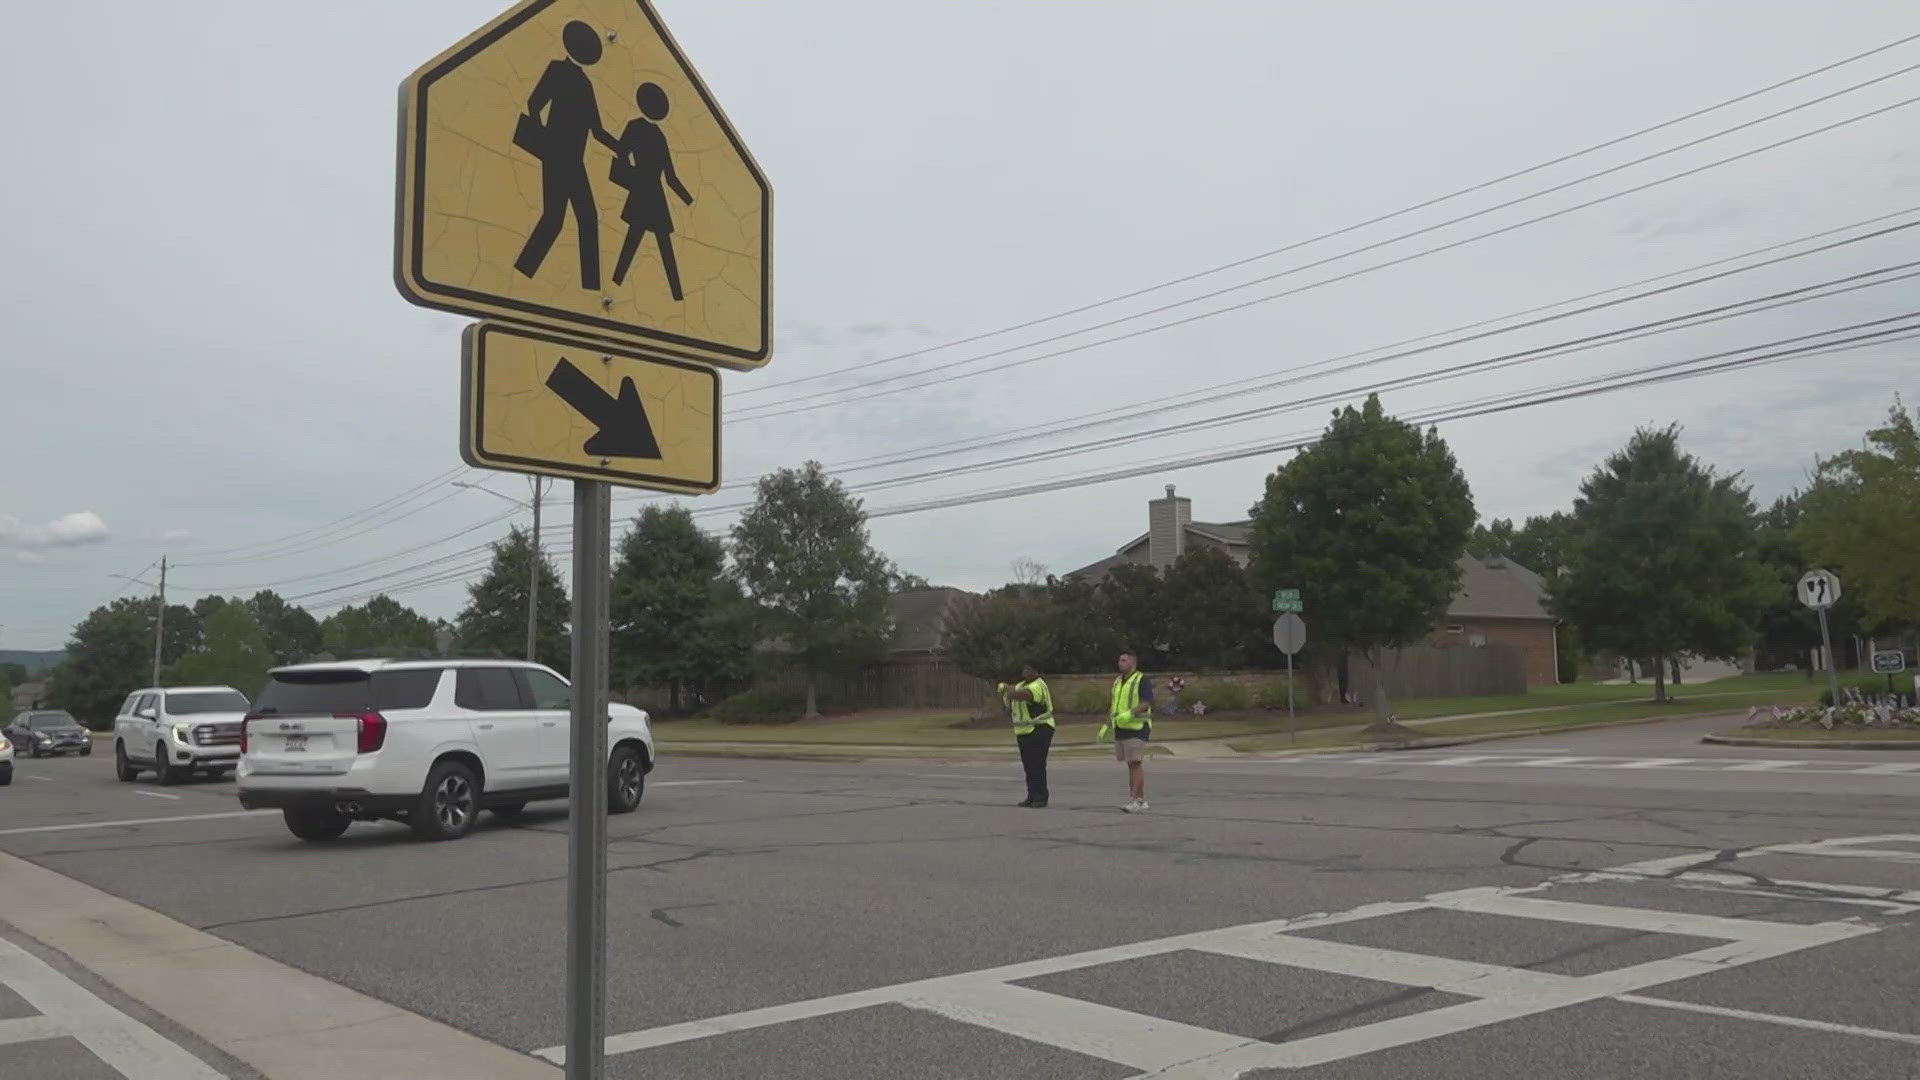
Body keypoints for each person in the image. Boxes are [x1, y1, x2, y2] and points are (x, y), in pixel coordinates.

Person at [512, 20, 619, 290]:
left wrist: (622, 150)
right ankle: (521, 274)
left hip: (574, 160)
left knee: (584, 218)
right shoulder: (557, 70)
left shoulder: (585, 83)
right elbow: (535, 103)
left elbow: (596, 130)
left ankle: (591, 289)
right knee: (556, 218)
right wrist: (543, 141)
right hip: (557, 155)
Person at [609, 82, 694, 300]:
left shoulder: (639, 128)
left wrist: (691, 202)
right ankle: (674, 294)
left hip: (645, 192)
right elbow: (670, 178)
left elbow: (622, 152)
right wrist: (688, 200)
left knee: (640, 239)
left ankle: (618, 281)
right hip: (652, 194)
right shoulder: (655, 135)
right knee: (648, 241)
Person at [1101, 650, 1152, 812]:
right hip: (1121, 727)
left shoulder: (1141, 680)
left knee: (1135, 763)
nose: (1120, 663)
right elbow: (1114, 705)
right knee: (1130, 765)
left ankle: (1135, 800)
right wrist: (1106, 725)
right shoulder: (1117, 681)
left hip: (1137, 727)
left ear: (1133, 663)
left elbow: (1146, 703)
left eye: (1124, 660)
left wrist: (1130, 714)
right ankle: (1140, 799)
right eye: (1119, 660)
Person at [999, 662, 1054, 808]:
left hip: (1040, 728)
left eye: (1029, 669)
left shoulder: (1038, 685)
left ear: (1036, 671)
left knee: (1037, 764)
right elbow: (1011, 700)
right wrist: (1006, 691)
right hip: (1024, 731)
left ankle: (1041, 797)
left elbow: (1026, 695)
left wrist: (1010, 691)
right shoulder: (1021, 684)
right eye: (1024, 669)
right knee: (1028, 766)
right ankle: (1032, 795)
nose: (1025, 671)